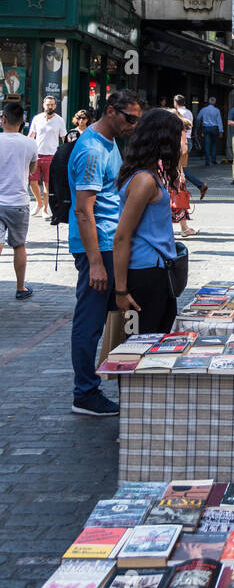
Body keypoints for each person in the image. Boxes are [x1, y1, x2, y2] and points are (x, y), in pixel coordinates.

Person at [68, 88, 143, 417]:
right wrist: (96, 262)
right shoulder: (92, 149)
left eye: (137, 120)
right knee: (91, 320)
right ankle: (84, 392)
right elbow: (85, 210)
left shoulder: (110, 142)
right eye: (130, 118)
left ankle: (108, 381)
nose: (133, 125)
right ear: (111, 111)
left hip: (112, 243)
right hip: (98, 247)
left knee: (117, 314)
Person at [113, 109, 183, 337]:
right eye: (176, 137)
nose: (180, 145)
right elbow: (122, 236)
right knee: (140, 343)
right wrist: (121, 290)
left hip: (156, 270)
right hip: (146, 273)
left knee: (154, 340)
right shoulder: (144, 180)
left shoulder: (146, 174)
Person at [0, 99, 38, 299]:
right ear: (22, 121)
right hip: (19, 203)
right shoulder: (30, 143)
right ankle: (20, 287)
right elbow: (32, 169)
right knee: (19, 245)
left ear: (3, 119)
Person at [27, 95, 67, 217]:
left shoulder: (59, 120)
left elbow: (64, 138)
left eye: (52, 104)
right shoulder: (37, 118)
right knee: (32, 182)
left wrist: (64, 154)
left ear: (55, 106)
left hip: (51, 156)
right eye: (48, 104)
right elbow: (31, 135)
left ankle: (45, 210)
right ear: (43, 105)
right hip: (36, 155)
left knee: (47, 184)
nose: (50, 107)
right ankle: (39, 203)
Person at [172, 95, 207, 200]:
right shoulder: (189, 112)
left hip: (181, 142)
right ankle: (179, 191)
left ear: (175, 102)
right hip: (188, 141)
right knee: (180, 167)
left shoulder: (178, 113)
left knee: (181, 168)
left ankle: (199, 185)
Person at [196, 96, 223, 167]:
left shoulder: (203, 109)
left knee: (207, 145)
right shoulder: (217, 110)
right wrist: (221, 131)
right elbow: (219, 121)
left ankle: (207, 162)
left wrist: (197, 126)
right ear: (215, 102)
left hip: (206, 128)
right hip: (214, 128)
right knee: (214, 144)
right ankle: (213, 160)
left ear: (209, 102)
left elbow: (198, 118)